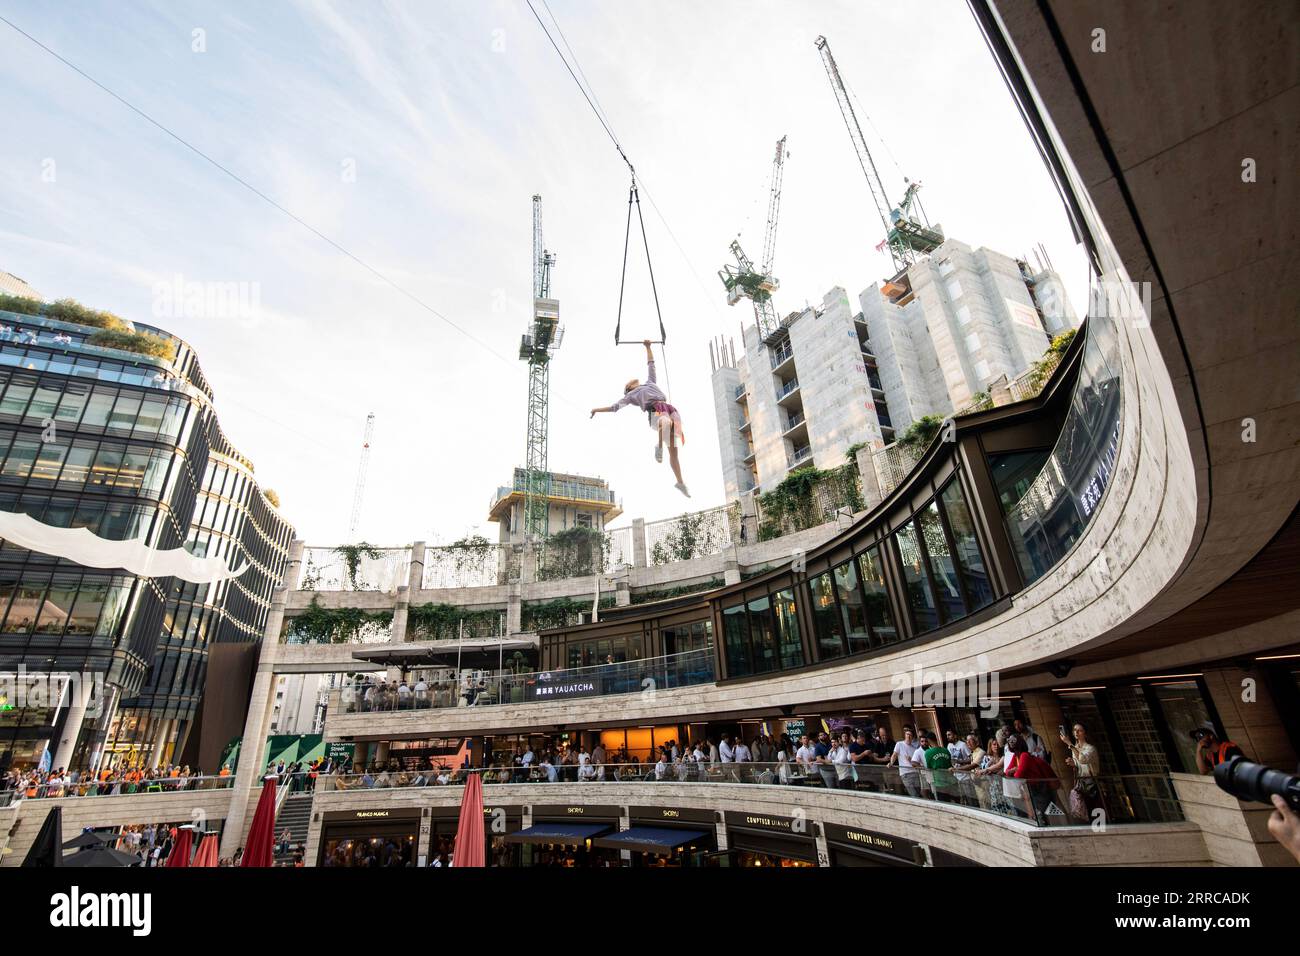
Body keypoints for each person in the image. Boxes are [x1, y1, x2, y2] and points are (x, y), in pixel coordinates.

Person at [589, 339, 690, 497]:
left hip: (668, 409)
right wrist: (597, 409)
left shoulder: (650, 383)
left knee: (674, 453)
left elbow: (651, 364)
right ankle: (658, 446)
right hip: (655, 411)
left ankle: (680, 482)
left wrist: (648, 347)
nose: (634, 379)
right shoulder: (631, 395)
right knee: (665, 423)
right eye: (630, 382)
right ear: (629, 388)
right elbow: (615, 407)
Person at [1060, 722, 1103, 821]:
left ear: (1085, 733)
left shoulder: (1090, 748)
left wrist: (1069, 744)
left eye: (1079, 730)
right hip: (1081, 782)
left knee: (1095, 809)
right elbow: (1079, 764)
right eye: (1075, 730)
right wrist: (1073, 763)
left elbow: (1083, 759)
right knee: (1084, 809)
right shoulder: (1075, 747)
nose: (1076, 732)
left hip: (1091, 782)